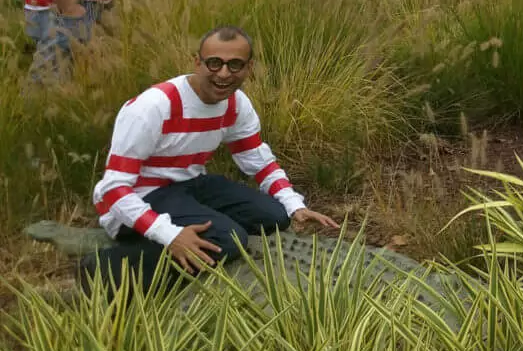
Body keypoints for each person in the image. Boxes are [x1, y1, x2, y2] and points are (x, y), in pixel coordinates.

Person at [83, 26, 338, 292]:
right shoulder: (154, 107)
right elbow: (114, 190)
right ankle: (105, 269)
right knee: (228, 239)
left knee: (275, 216)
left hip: (189, 184)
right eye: (214, 63)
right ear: (198, 62)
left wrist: (293, 203)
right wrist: (169, 234)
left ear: (249, 68)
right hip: (140, 194)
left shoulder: (236, 104)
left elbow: (257, 159)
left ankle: (191, 231)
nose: (224, 74)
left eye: (235, 65)